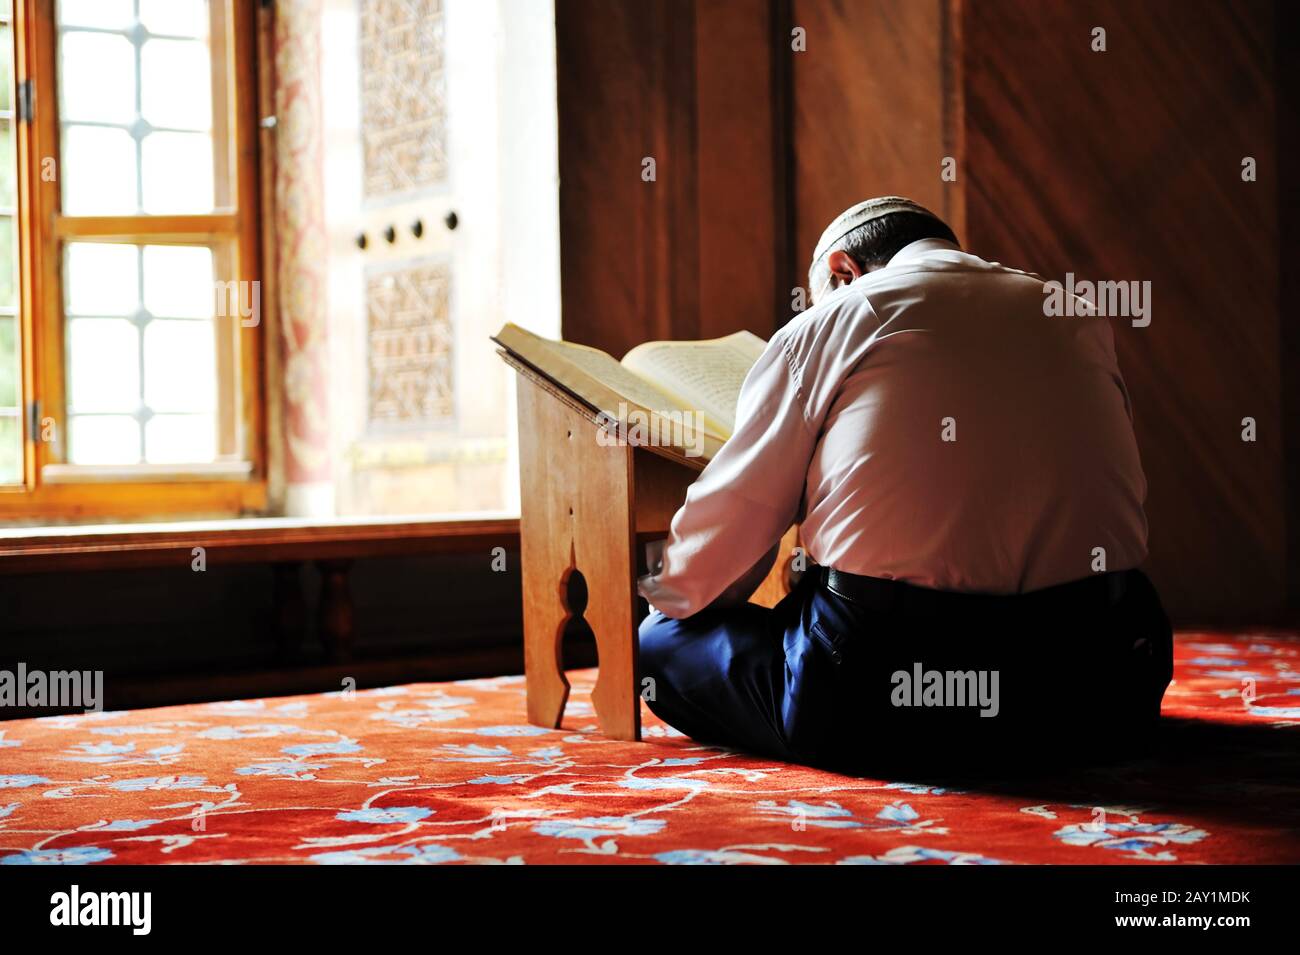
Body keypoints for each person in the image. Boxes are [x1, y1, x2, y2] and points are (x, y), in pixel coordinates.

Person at [635, 196, 1173, 775]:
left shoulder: (829, 324)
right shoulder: (1078, 315)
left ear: (842, 270)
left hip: (884, 696)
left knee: (661, 639)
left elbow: (705, 567)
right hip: (1100, 685)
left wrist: (672, 595)